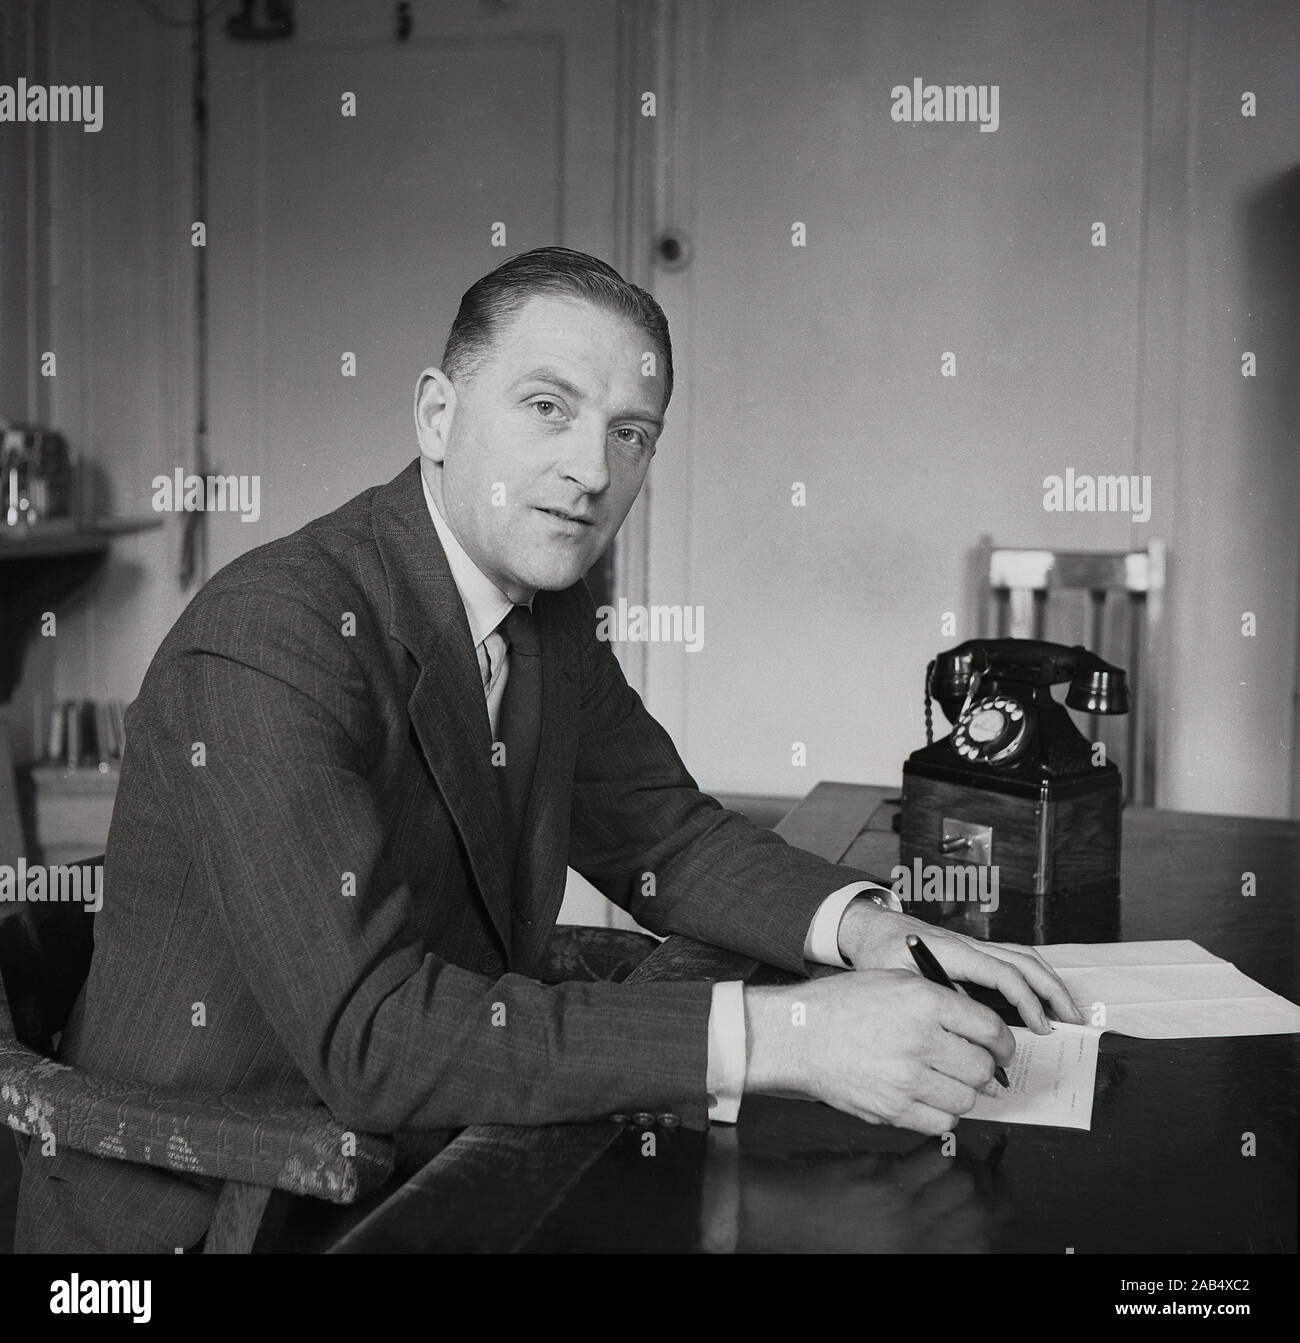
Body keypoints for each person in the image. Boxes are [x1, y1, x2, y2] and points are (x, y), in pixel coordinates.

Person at [16, 247, 1082, 1252]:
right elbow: (373, 1035)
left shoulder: (543, 613)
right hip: (224, 1206)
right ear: (437, 415)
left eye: (631, 434)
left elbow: (665, 832)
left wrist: (874, 931)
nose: (590, 469)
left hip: (441, 1151)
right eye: (546, 409)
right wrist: (789, 1036)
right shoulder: (272, 635)